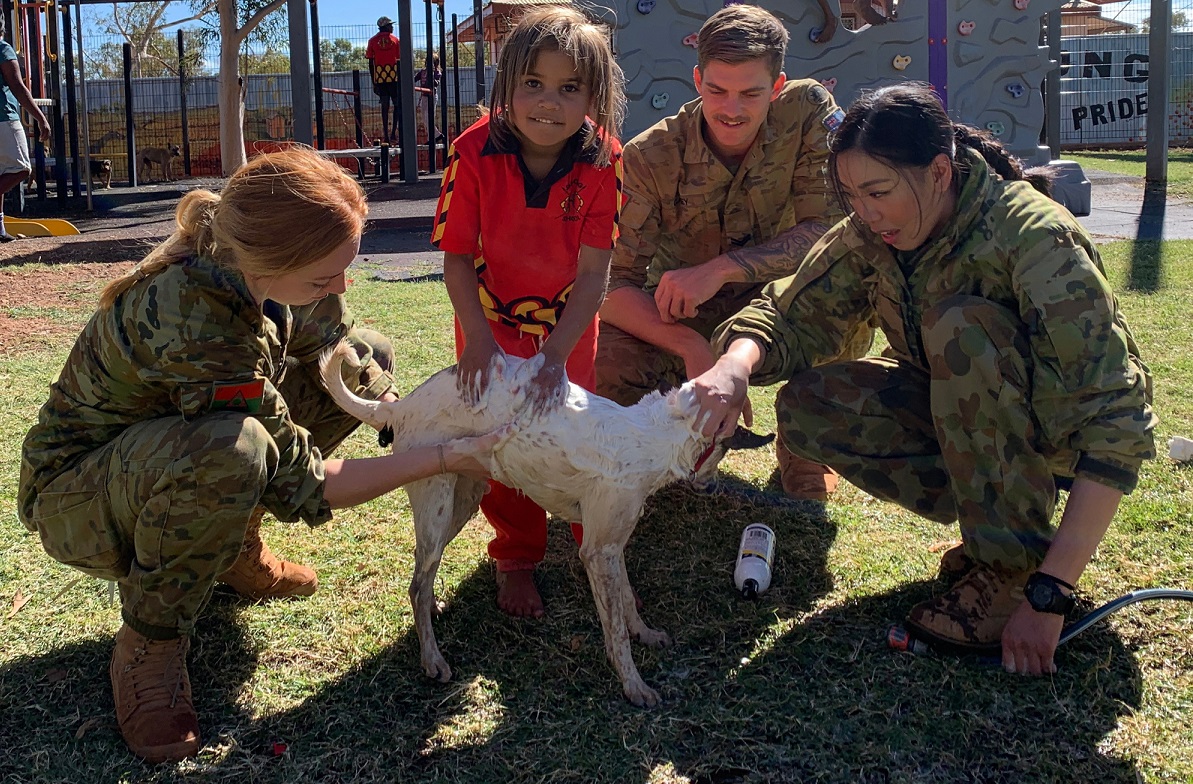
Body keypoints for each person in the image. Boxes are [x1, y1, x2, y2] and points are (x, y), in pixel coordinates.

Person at [17, 148, 501, 763]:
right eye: (325, 278)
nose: (341, 286)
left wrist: (402, 410)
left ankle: (232, 545)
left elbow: (336, 342)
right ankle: (149, 645)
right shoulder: (194, 313)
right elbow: (308, 484)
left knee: (363, 355)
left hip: (158, 452)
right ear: (272, 261)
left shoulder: (275, 270)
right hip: (78, 498)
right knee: (234, 450)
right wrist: (445, 456)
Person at [692, 83, 1157, 675]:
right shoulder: (874, 229)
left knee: (961, 328)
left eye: (879, 191)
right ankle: (994, 539)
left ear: (940, 171)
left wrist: (1050, 592)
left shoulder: (1033, 237)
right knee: (812, 404)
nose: (866, 211)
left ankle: (1014, 571)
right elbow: (789, 314)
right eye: (852, 194)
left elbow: (1114, 420)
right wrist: (733, 367)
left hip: (1057, 440)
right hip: (972, 424)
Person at [594, 4, 869, 501]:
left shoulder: (808, 111)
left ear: (778, 85)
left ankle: (805, 443)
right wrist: (690, 347)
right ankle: (668, 446)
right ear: (697, 79)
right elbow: (610, 286)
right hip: (686, 314)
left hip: (785, 305)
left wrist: (722, 268)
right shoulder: (650, 156)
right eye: (717, 90)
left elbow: (834, 230)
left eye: (751, 93)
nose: (732, 109)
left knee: (846, 307)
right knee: (604, 359)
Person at [431, 5, 625, 619]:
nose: (549, 102)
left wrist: (558, 357)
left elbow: (595, 274)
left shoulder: (604, 160)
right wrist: (482, 345)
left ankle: (597, 543)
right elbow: (458, 260)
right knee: (501, 437)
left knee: (574, 430)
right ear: (505, 86)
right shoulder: (472, 152)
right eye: (533, 84)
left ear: (594, 94)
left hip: (568, 327)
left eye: (570, 88)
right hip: (488, 324)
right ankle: (515, 555)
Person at [1, 18, 51, 242]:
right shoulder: (3, 48)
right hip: (4, 117)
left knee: (2, 172)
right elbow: (18, 86)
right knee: (22, 168)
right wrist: (40, 118)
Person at [366, 15, 402, 144]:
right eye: (390, 25)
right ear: (385, 26)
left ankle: (386, 135)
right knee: (397, 104)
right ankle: (394, 134)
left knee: (385, 106)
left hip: (380, 77)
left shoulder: (372, 41)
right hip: (394, 77)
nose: (392, 27)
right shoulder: (395, 40)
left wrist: (374, 81)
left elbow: (371, 63)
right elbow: (399, 61)